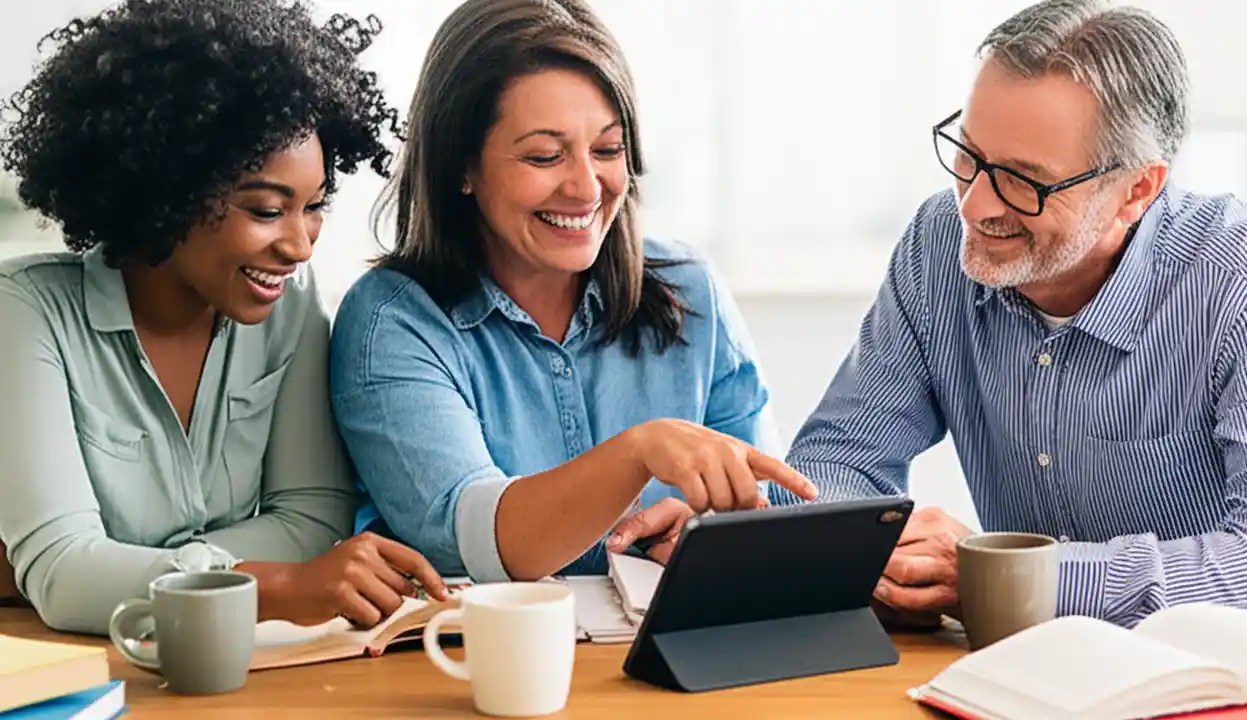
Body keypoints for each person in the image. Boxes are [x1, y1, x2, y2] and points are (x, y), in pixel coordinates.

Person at [784, 0, 1247, 629]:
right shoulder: (939, 242)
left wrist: (1004, 576)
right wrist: (874, 551)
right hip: (1018, 671)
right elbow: (839, 458)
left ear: (1135, 190)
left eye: (1023, 181)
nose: (974, 205)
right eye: (968, 155)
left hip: (1206, 678)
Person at [0, 0, 447, 635]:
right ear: (164, 193)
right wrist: (275, 582)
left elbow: (314, 519)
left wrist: (152, 573)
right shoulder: (25, 312)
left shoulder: (290, 304)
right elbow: (64, 573)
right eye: (266, 210)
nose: (300, 244)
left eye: (314, 206)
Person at [329, 0, 816, 583]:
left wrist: (706, 529)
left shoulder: (690, 290)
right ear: (461, 165)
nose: (586, 187)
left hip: (675, 655)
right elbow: (471, 541)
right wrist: (639, 452)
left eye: (607, 150)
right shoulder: (392, 323)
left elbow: (768, 499)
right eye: (544, 155)